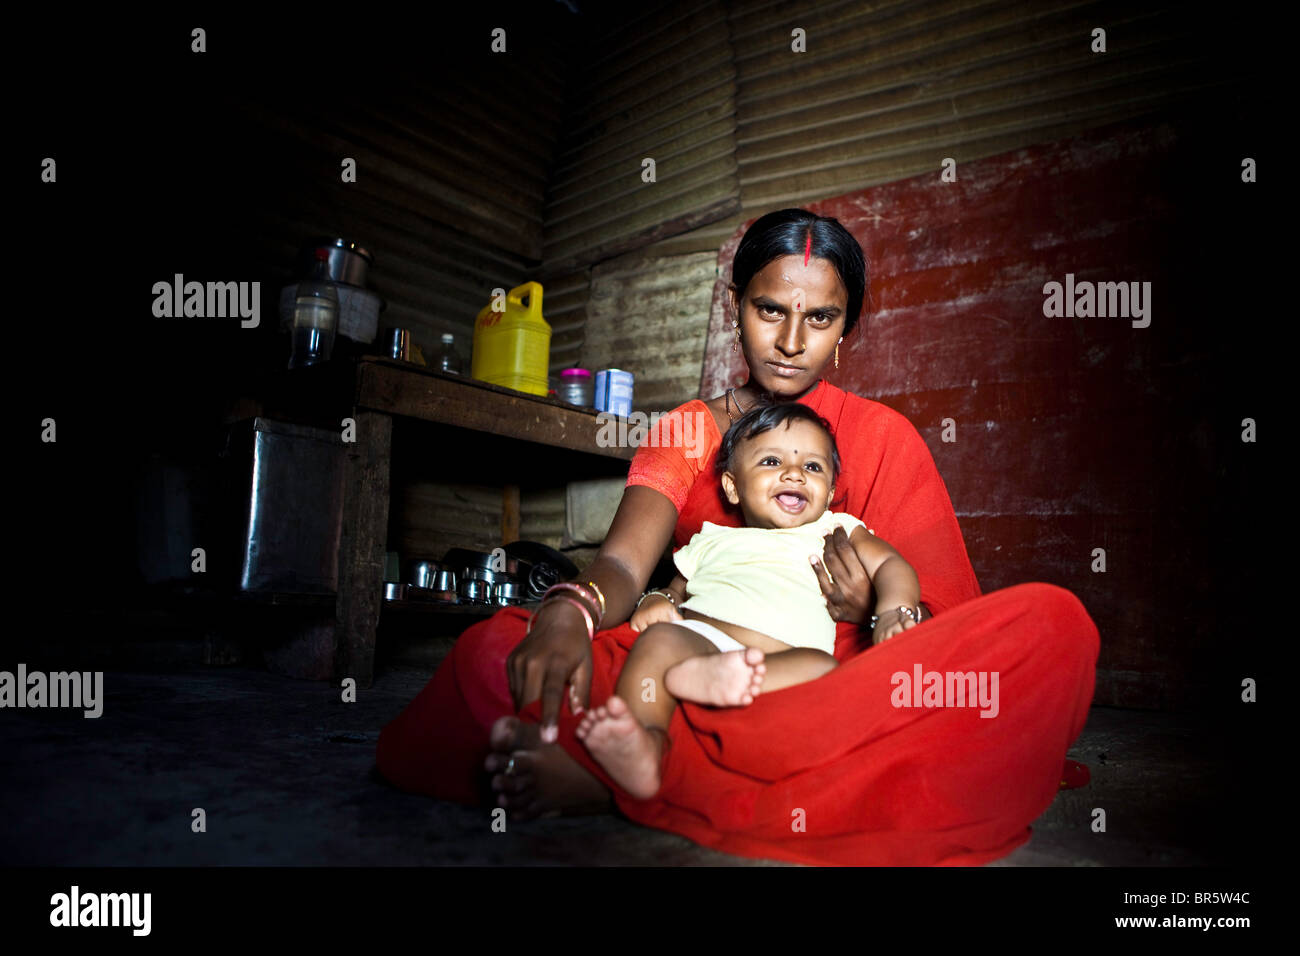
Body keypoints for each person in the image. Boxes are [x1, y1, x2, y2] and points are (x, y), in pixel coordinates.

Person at [376, 208, 1098, 866]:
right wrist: (568, 611)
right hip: (688, 654)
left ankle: (620, 777)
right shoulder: (689, 430)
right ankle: (661, 767)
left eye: (820, 319)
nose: (790, 342)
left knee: (1053, 628)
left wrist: (871, 613)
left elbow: (936, 612)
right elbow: (626, 565)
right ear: (735, 306)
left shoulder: (885, 437)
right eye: (769, 310)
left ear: (847, 329)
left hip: (829, 678)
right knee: (491, 653)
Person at [577, 401, 923, 800]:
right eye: (772, 461)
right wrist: (659, 599)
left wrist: (894, 610)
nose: (794, 473)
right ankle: (643, 742)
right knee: (657, 643)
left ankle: (708, 683)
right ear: (732, 487)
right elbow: (676, 588)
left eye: (812, 467)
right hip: (702, 639)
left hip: (786, 658)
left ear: (829, 493)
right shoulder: (711, 539)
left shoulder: (836, 528)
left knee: (826, 669)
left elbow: (891, 566)